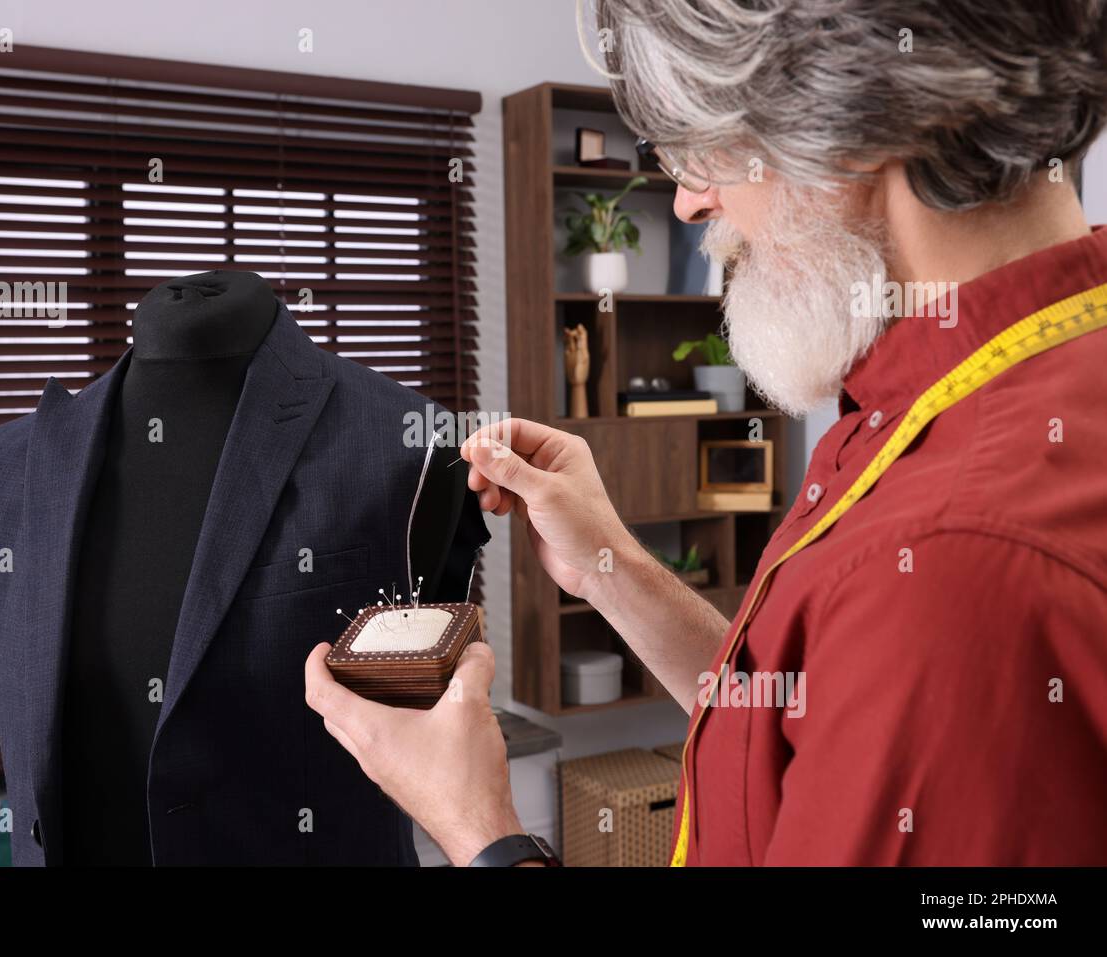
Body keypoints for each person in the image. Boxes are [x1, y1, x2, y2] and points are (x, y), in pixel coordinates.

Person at [305, 0, 1107, 866]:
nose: (686, 201)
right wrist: (610, 566)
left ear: (850, 116)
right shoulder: (974, 388)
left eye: (700, 145)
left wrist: (479, 828)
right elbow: (797, 724)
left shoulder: (947, 558)